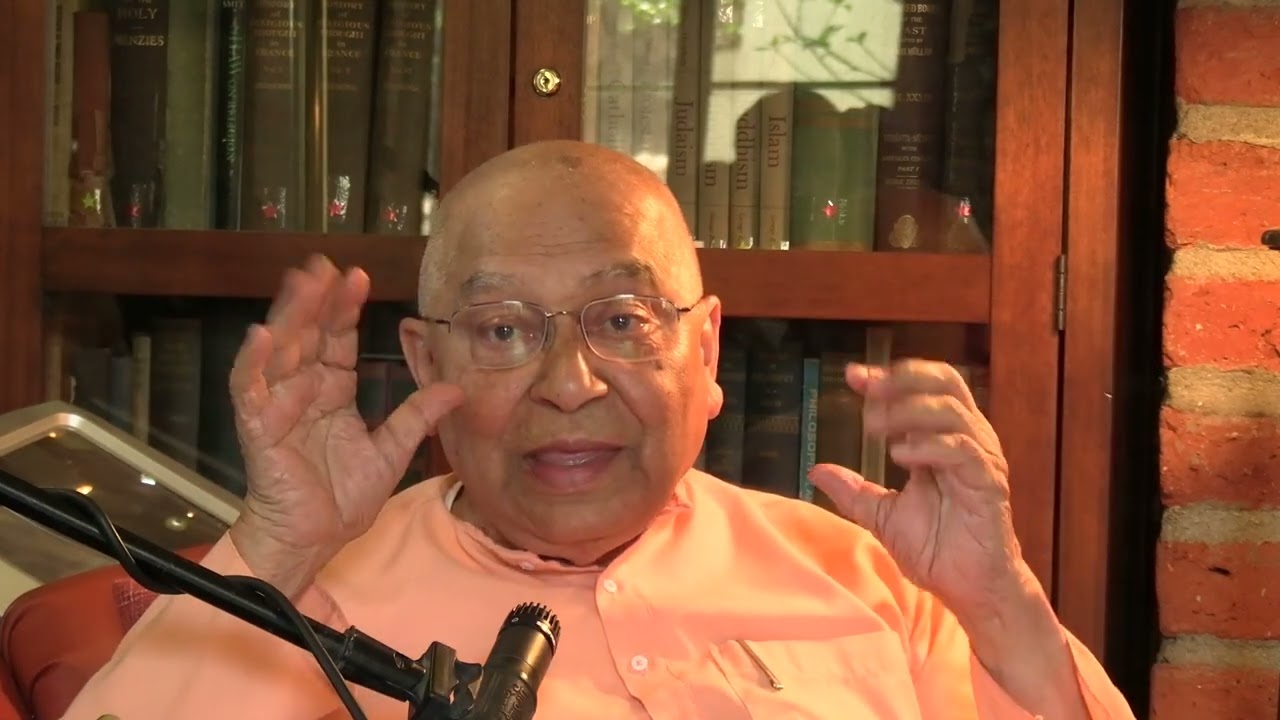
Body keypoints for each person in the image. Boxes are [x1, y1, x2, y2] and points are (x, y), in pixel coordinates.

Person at [61, 140, 1134, 720]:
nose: (567, 384)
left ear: (705, 353)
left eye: (621, 320)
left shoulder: (868, 579)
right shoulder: (306, 603)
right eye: (502, 328)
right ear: (425, 364)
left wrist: (1002, 610)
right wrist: (280, 547)